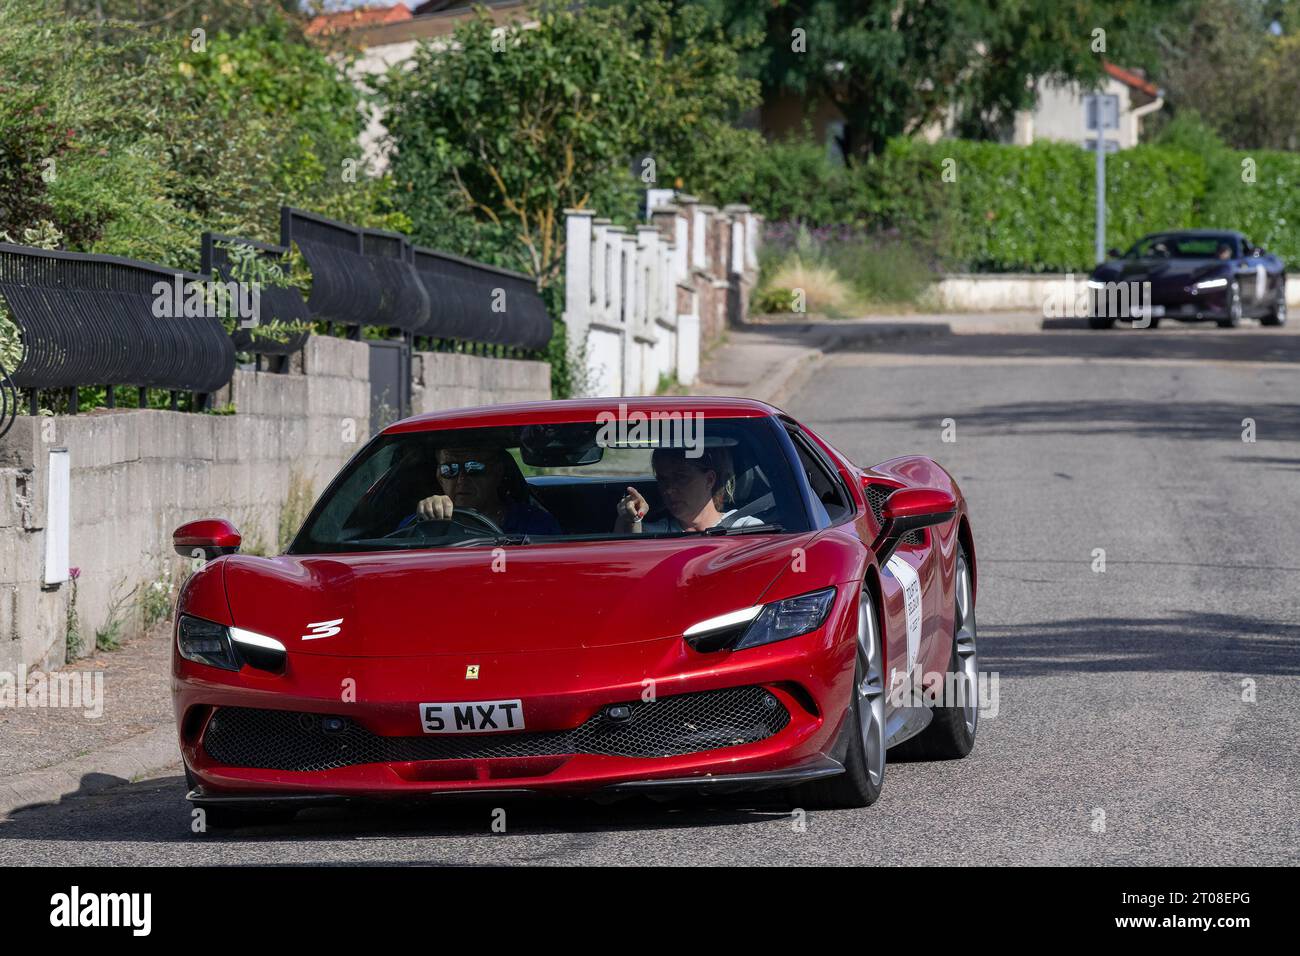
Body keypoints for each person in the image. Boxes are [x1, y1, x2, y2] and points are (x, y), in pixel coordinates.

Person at [406, 445, 561, 535]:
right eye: (450, 469)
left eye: (474, 467)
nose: (461, 479)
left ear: (497, 472)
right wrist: (429, 523)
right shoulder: (420, 522)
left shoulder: (534, 524)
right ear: (440, 477)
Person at [614, 445, 763, 534]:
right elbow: (625, 556)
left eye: (681, 478)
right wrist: (631, 518)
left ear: (710, 480)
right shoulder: (652, 533)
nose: (669, 489)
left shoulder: (746, 528)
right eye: (663, 479)